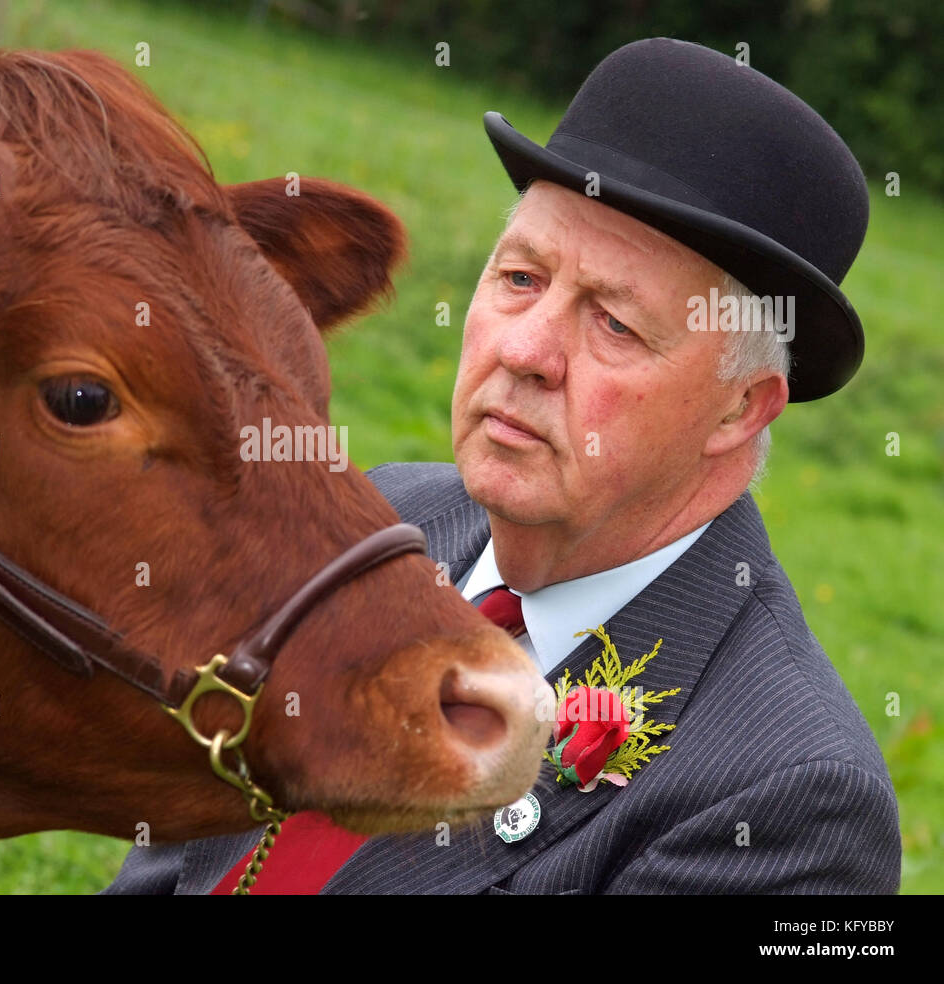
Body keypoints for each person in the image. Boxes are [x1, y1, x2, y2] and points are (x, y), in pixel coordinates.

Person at [102, 38, 900, 894]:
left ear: (740, 408)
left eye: (615, 326)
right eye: (520, 277)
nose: (524, 350)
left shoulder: (791, 797)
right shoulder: (377, 517)